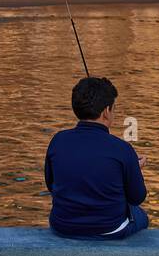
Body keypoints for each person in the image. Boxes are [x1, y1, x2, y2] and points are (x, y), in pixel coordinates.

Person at [44, 77, 148, 240]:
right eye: (114, 108)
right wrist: (133, 169)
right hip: (110, 228)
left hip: (62, 226)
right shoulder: (122, 149)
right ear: (106, 111)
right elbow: (137, 197)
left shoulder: (57, 141)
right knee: (141, 215)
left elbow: (51, 185)